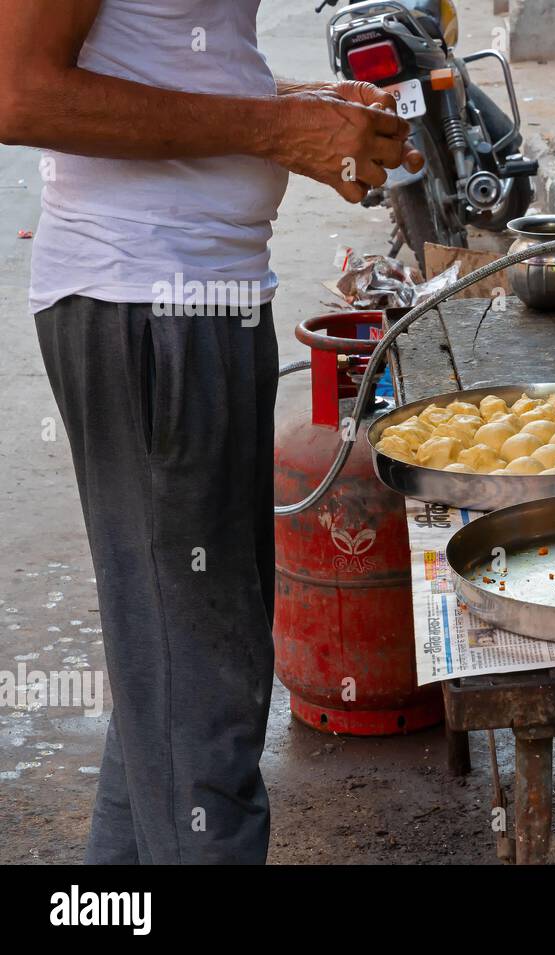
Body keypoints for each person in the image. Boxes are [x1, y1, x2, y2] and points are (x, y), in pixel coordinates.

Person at [0, 0, 422, 864]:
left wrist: (305, 107)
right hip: (147, 302)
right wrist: (279, 129)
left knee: (170, 679)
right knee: (206, 710)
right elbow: (18, 91)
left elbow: (168, 56)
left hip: (203, 300)